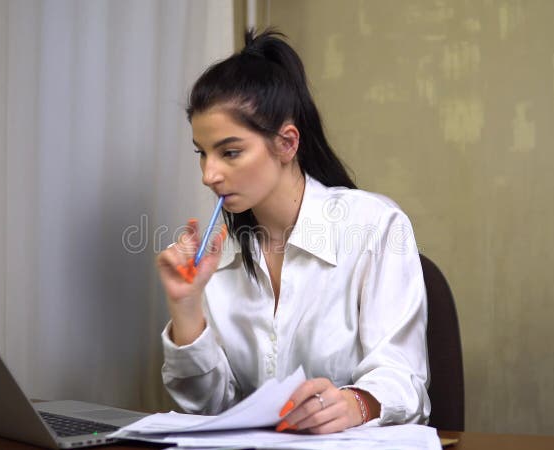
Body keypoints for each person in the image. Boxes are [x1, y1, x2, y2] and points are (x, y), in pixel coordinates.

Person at [156, 29, 430, 434]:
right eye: (203, 152)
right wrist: (186, 308)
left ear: (286, 144)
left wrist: (354, 404)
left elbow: (403, 378)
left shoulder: (376, 227)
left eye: (230, 152)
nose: (209, 175)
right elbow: (209, 408)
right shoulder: (219, 257)